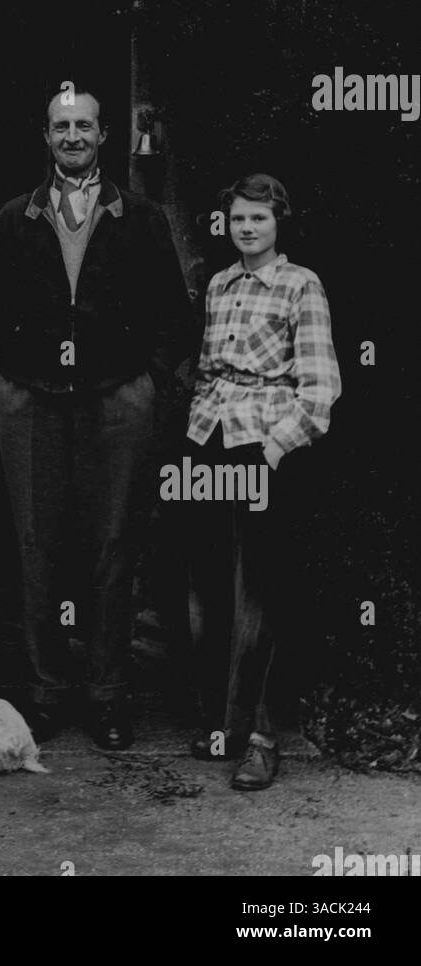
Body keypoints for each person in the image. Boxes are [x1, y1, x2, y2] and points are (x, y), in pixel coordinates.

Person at [0, 87, 193, 748]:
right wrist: (2, 379)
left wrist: (145, 383)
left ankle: (105, 696)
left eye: (83, 126)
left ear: (102, 137)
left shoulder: (141, 216)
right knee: (37, 547)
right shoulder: (16, 216)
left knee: (111, 548)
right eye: (60, 126)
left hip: (115, 399)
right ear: (45, 136)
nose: (72, 136)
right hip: (30, 400)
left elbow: (172, 316)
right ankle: (45, 692)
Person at [184, 173, 341, 790]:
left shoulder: (301, 285)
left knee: (266, 596)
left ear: (278, 224)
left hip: (266, 449)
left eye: (258, 219)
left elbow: (322, 387)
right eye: (237, 219)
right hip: (209, 444)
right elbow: (205, 372)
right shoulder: (219, 284)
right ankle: (224, 722)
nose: (246, 229)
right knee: (212, 592)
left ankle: (263, 736)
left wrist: (275, 448)